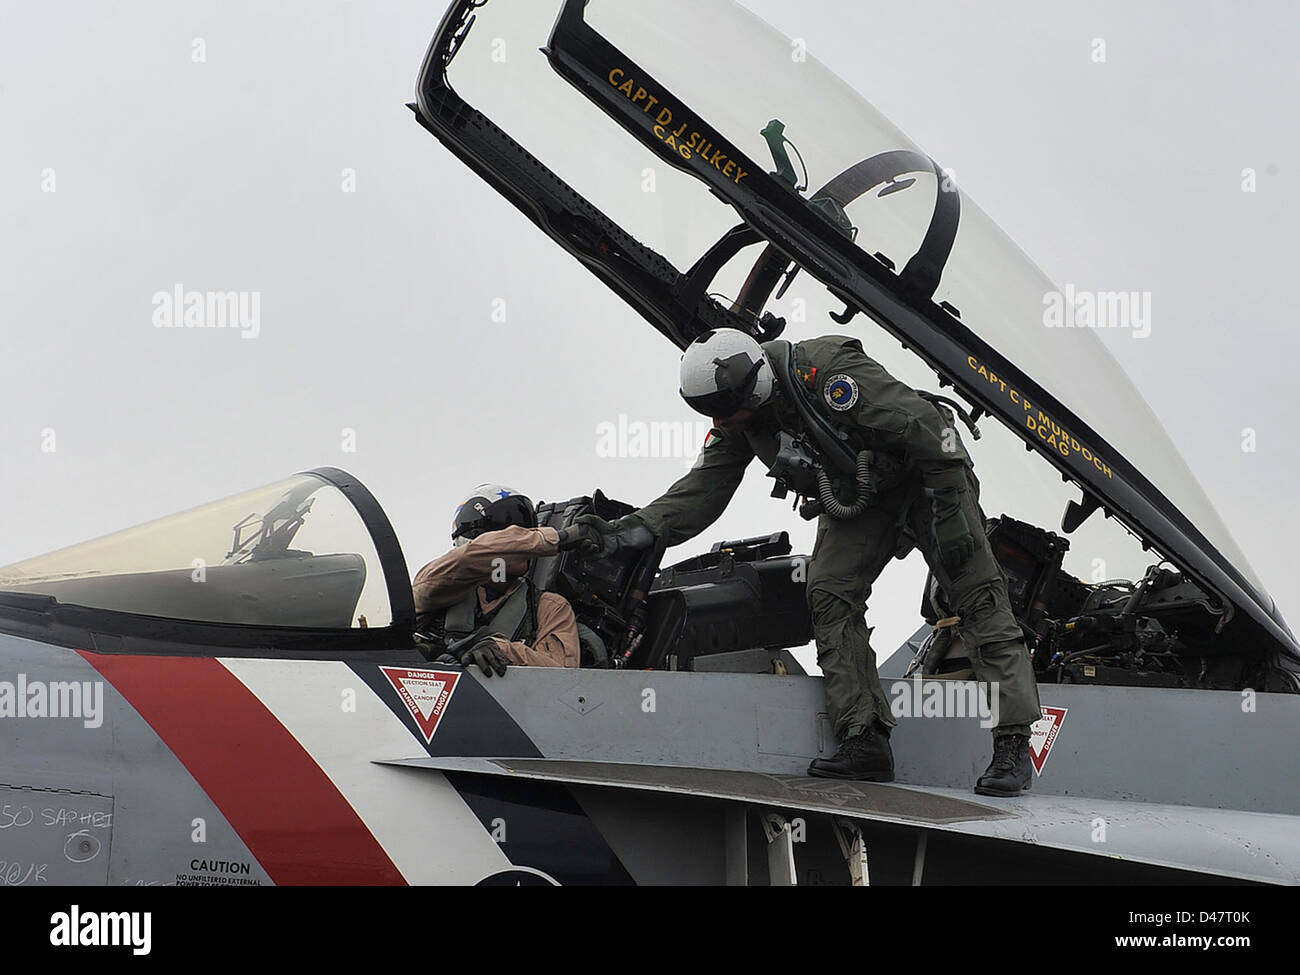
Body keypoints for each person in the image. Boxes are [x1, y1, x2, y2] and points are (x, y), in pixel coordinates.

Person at [578, 329, 1042, 797]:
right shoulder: (739, 417)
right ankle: (864, 739)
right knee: (828, 593)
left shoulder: (827, 374)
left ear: (752, 384)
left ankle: (1013, 744)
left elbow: (930, 429)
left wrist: (947, 508)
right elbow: (702, 490)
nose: (725, 418)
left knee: (976, 593)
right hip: (863, 493)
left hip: (930, 475)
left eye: (728, 407)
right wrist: (631, 530)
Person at [413, 484, 599, 677]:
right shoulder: (437, 584)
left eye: (527, 533)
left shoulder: (548, 607)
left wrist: (501, 649)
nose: (525, 546)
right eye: (514, 536)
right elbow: (467, 557)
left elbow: (563, 676)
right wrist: (558, 538)